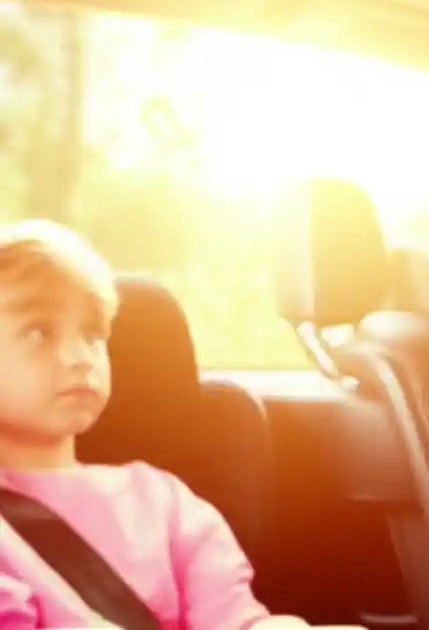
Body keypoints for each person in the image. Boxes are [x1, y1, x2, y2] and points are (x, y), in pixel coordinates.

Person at [0, 220, 348, 629]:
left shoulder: (164, 501)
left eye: (93, 335)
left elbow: (229, 616)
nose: (81, 357)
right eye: (39, 333)